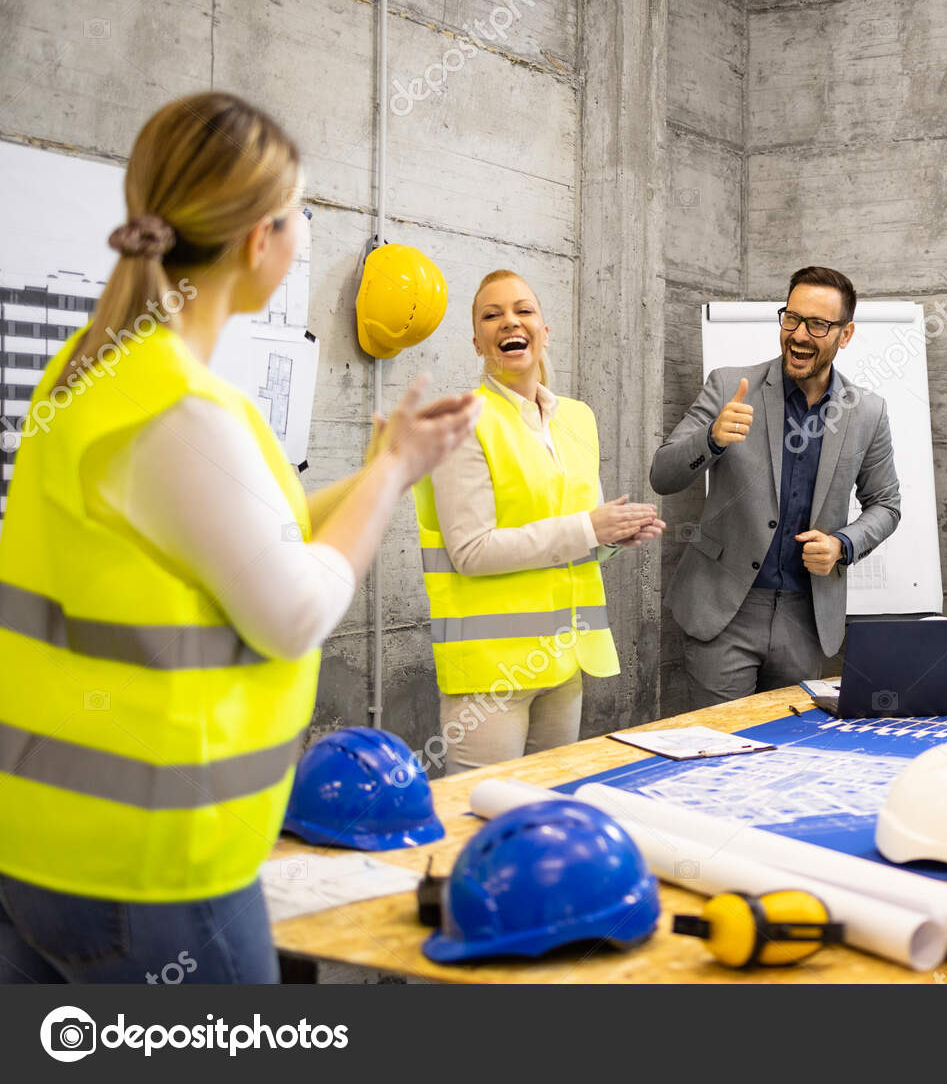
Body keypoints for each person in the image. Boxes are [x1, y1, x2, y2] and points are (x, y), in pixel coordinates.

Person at [0, 92, 481, 984]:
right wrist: (387, 477)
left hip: (37, 843)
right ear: (260, 239)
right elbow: (293, 610)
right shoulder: (181, 410)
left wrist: (388, 466)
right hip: (153, 866)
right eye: (297, 214)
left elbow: (246, 537)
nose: (301, 233)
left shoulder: (98, 375)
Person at [413, 270, 664, 773]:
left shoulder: (577, 418)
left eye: (523, 310)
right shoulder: (459, 420)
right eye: (492, 314)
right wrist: (592, 529)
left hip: (565, 661)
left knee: (546, 813)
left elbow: (575, 538)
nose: (510, 321)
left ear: (545, 331)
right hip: (489, 674)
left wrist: (614, 538)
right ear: (478, 342)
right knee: (479, 820)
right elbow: (471, 552)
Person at [650, 266, 901, 707]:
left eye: (819, 324)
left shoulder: (867, 413)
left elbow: (886, 504)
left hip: (806, 618)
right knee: (718, 752)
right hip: (724, 611)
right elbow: (663, 475)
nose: (800, 335)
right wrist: (711, 437)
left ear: (845, 335)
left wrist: (843, 543)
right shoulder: (730, 387)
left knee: (788, 753)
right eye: (792, 318)